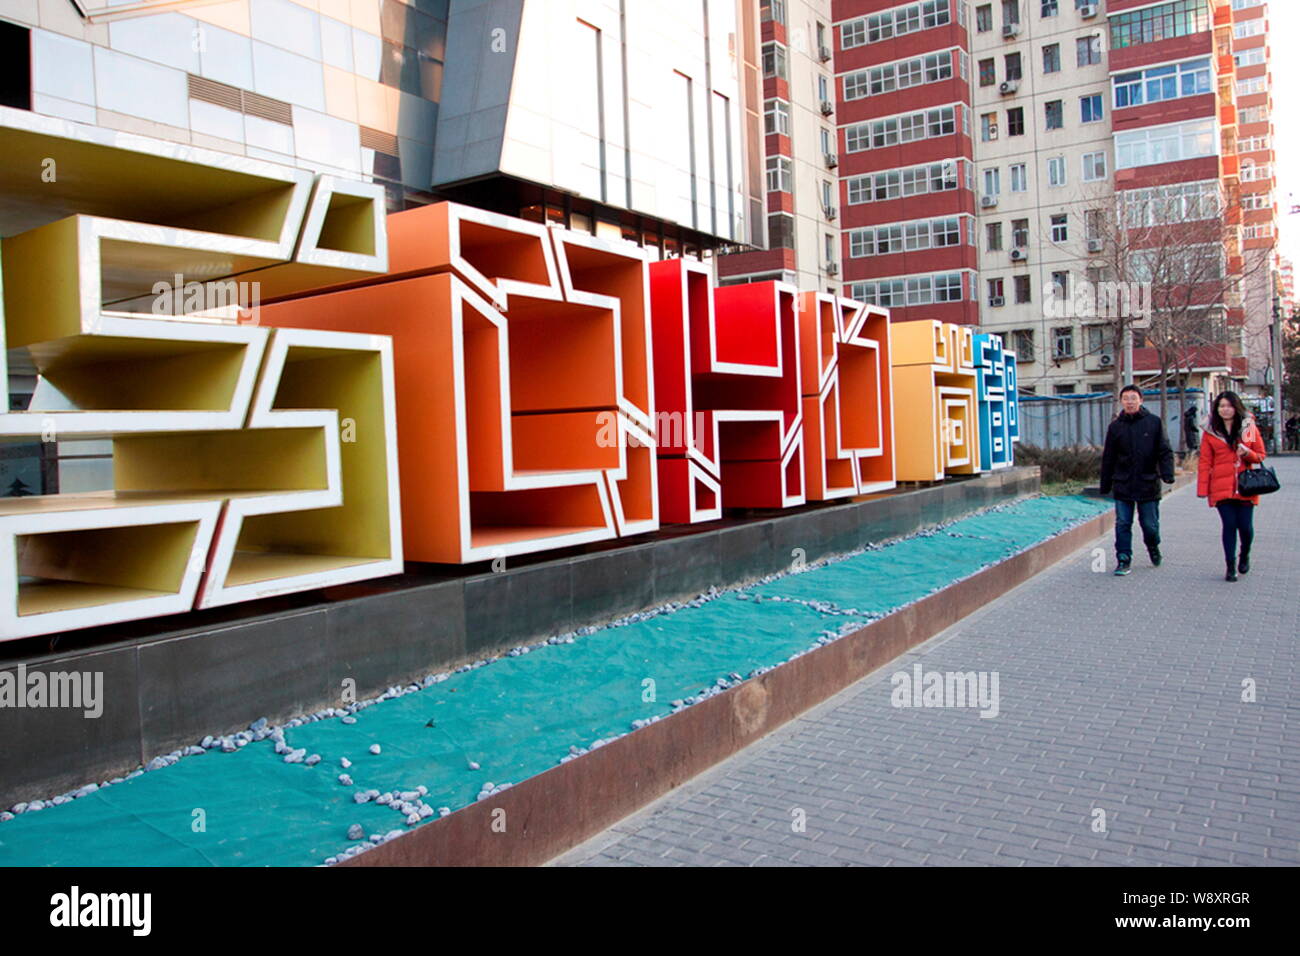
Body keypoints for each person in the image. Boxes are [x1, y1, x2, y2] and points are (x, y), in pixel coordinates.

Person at [1099, 385, 1175, 575]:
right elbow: (1108, 456)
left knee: (1149, 525)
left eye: (1133, 398)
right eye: (1126, 398)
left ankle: (1153, 547)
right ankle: (1123, 559)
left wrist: (1167, 474)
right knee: (1123, 523)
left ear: (1141, 400)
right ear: (1121, 402)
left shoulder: (1154, 423)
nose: (1130, 402)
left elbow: (1164, 451)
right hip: (1123, 483)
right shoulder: (1115, 427)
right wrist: (1105, 483)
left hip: (1147, 482)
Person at [1197, 391, 1267, 582]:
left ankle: (1244, 555)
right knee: (1229, 525)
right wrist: (1203, 489)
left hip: (1245, 485)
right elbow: (1205, 461)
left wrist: (1247, 453)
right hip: (1220, 486)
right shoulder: (1211, 430)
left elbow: (1260, 454)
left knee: (1245, 526)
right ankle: (1230, 566)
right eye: (1221, 406)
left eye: (1228, 405)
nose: (1225, 409)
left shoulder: (1247, 426)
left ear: (1236, 407)